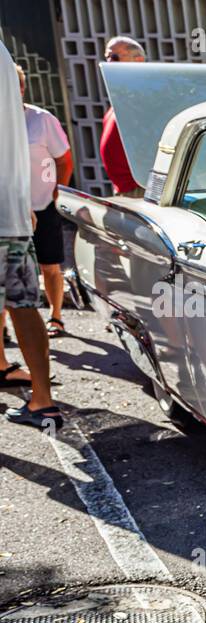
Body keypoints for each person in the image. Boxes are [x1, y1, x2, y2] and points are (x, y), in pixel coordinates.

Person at [0, 40, 60, 428]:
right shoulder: (4, 55)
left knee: (22, 303)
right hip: (11, 209)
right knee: (22, 303)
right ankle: (42, 399)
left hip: (12, 208)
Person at [15, 64, 73, 338]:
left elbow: (64, 159)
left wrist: (56, 191)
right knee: (10, 268)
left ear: (22, 88)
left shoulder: (41, 119)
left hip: (43, 204)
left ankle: (56, 316)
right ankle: (6, 329)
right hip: (9, 209)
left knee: (49, 265)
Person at [98, 36, 146, 198]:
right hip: (124, 190)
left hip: (140, 188)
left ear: (138, 60)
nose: (109, 64)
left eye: (115, 58)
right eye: (107, 58)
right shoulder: (122, 95)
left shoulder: (145, 94)